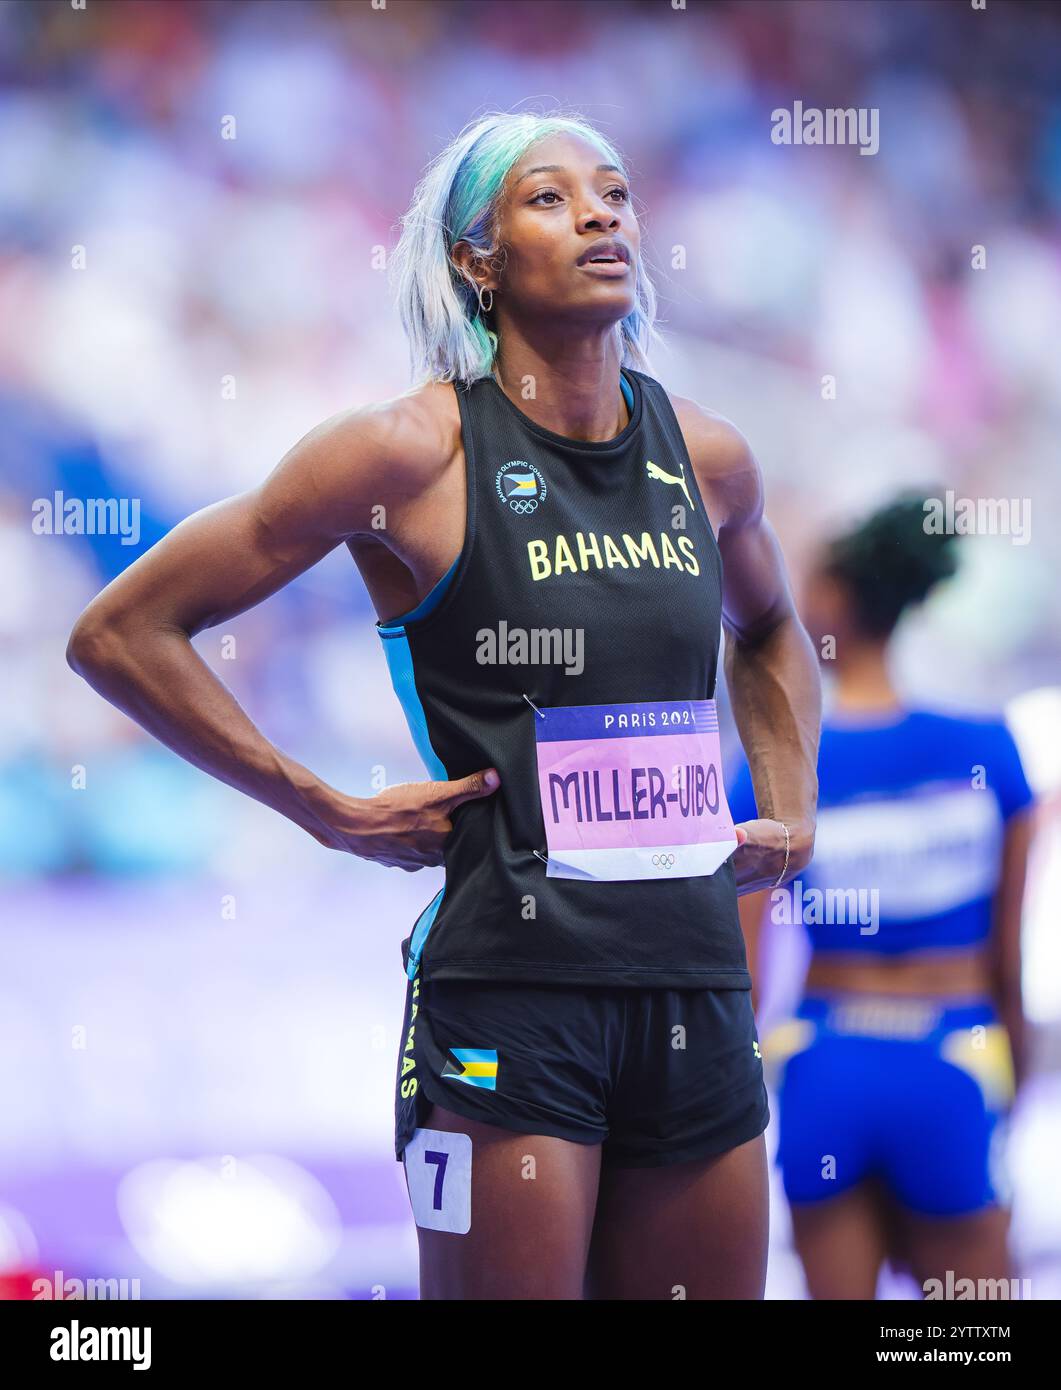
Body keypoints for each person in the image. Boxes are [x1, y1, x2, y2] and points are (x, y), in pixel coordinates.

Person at [66, 109, 821, 1300]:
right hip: (506, 1003)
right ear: (475, 257)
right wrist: (321, 806)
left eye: (614, 193)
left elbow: (773, 629)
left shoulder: (709, 456)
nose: (598, 214)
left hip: (695, 990)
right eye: (549, 197)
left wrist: (790, 804)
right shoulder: (405, 455)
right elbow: (119, 631)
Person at [729, 495, 1036, 1300]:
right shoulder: (987, 752)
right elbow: (1010, 962)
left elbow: (742, 975)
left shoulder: (777, 765)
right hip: (956, 1056)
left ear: (829, 601)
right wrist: (1017, 1090)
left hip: (825, 1059)